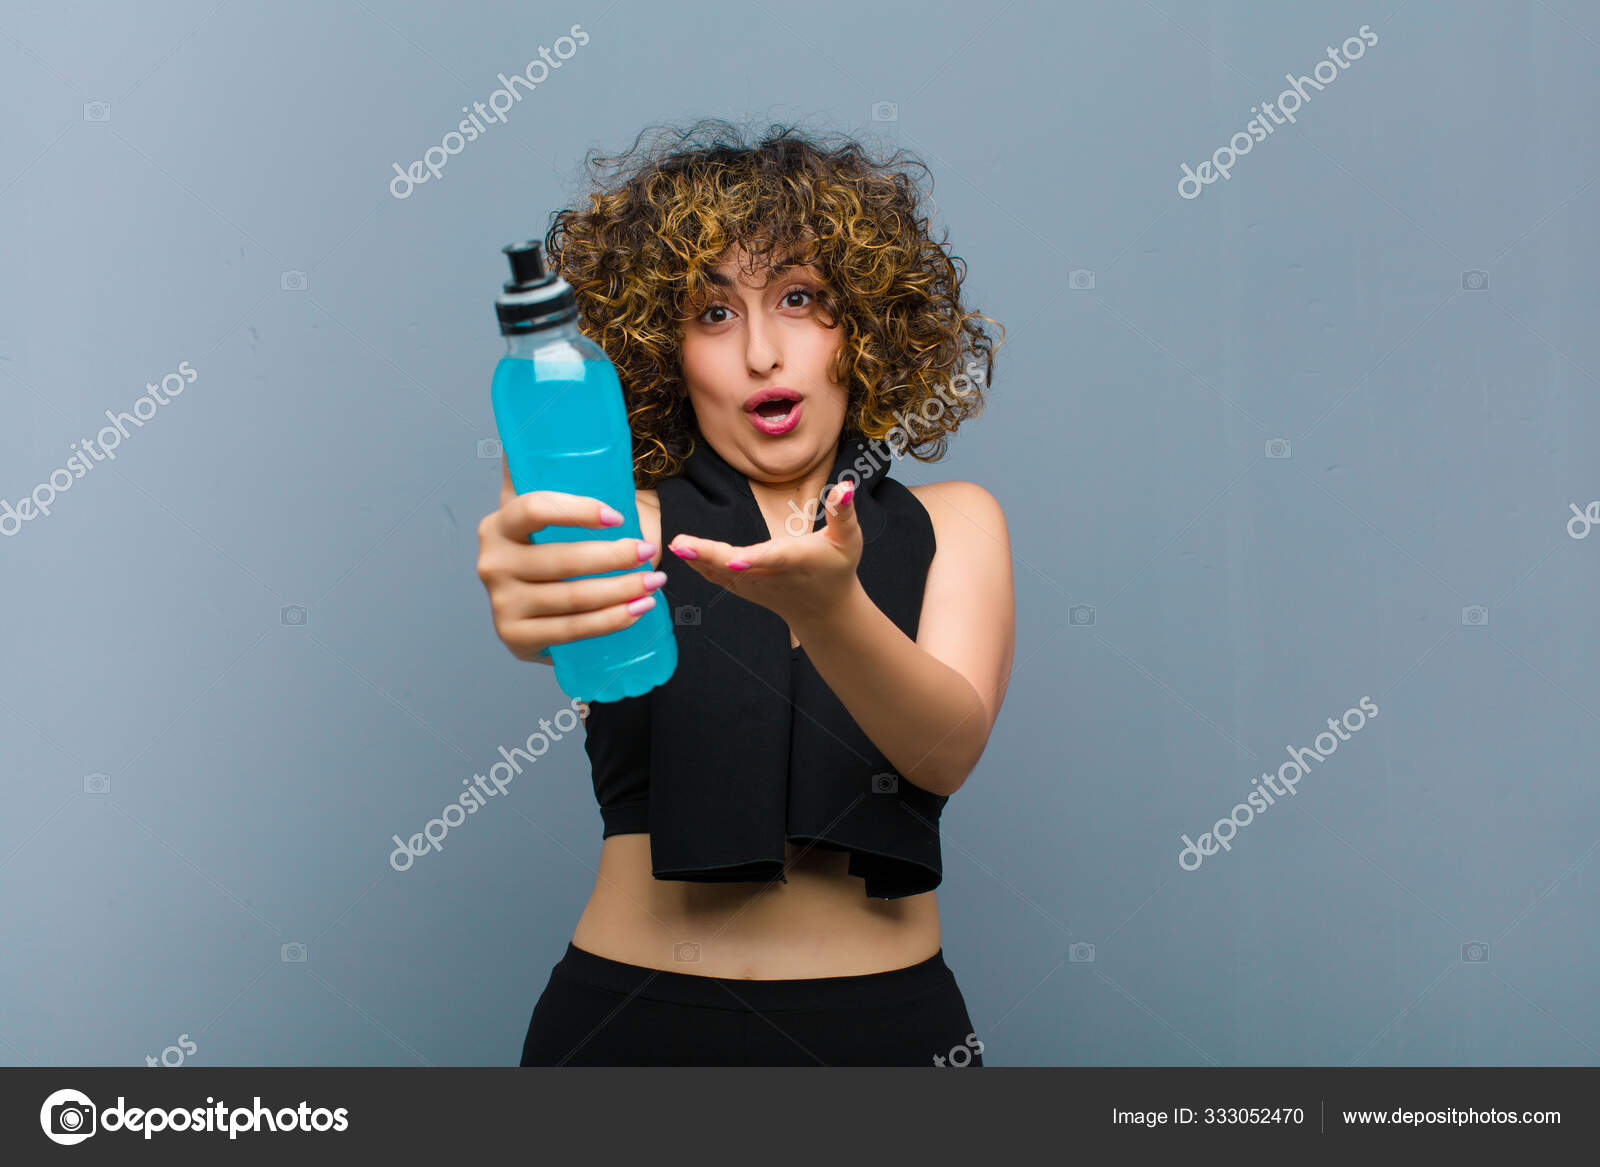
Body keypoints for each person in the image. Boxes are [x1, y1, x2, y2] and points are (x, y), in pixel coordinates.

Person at [475, 119, 1014, 1066]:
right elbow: (546, 595)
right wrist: (530, 597)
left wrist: (830, 608)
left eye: (800, 298)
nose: (763, 351)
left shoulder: (956, 521)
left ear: (866, 324)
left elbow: (944, 751)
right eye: (714, 313)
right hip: (627, 1028)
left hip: (891, 1035)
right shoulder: (628, 518)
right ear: (663, 349)